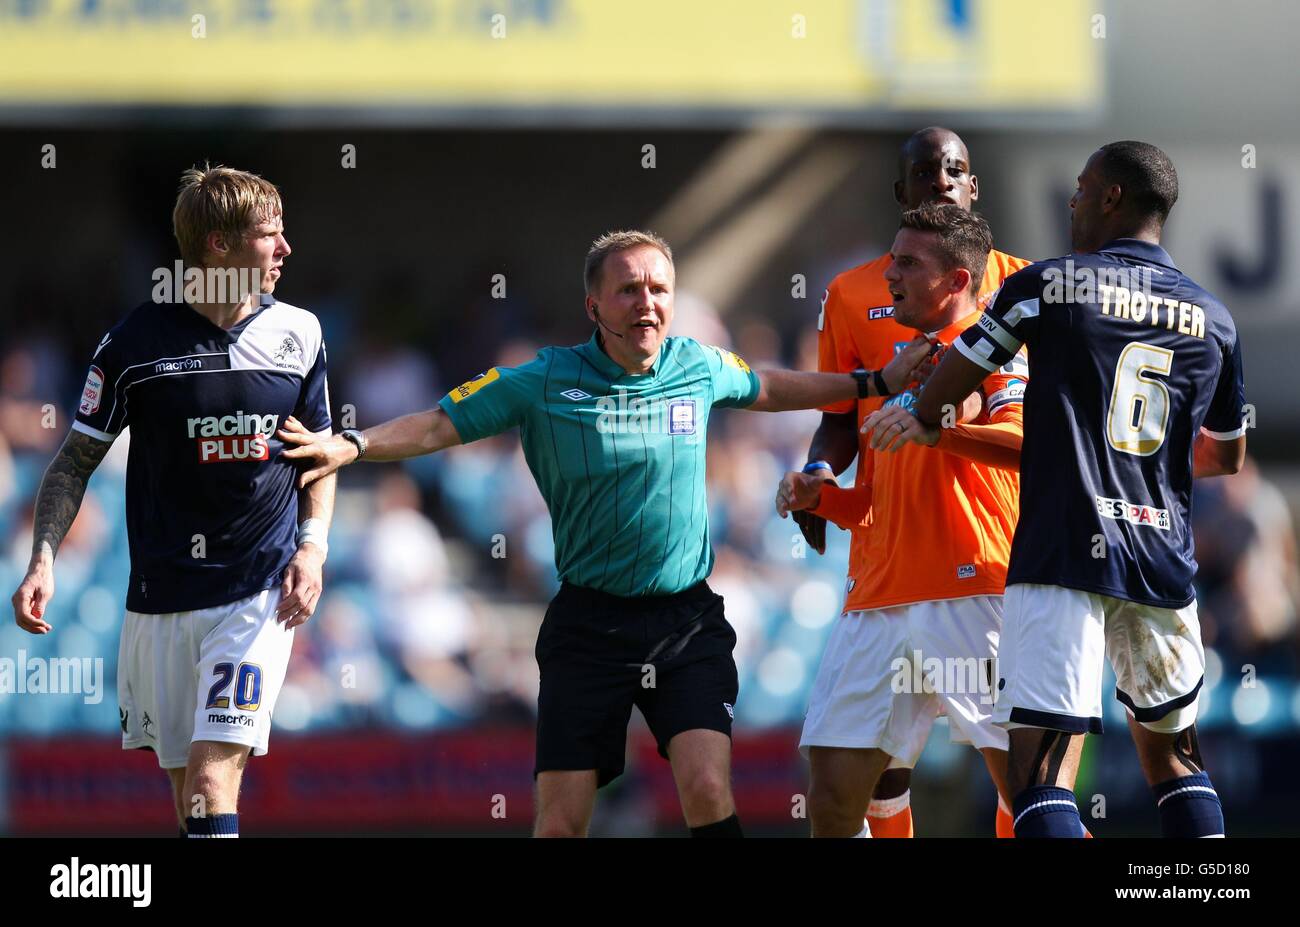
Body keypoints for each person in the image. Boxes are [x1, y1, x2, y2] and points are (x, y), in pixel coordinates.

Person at [278, 229, 934, 837]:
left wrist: (870, 382)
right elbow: (434, 426)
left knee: (707, 786)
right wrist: (355, 444)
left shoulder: (696, 365)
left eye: (658, 289)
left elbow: (769, 386)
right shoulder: (540, 381)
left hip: (686, 620)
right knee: (562, 821)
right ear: (594, 305)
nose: (646, 303)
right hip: (588, 626)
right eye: (628, 290)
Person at [902, 141, 1246, 837]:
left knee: (1039, 774)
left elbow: (938, 404)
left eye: (1082, 188)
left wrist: (928, 403)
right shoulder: (1215, 318)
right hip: (1159, 556)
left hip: (1062, 550)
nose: (1072, 201)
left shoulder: (1043, 285)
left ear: (1112, 197)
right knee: (1177, 761)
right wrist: (1142, 472)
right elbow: (1225, 454)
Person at [10, 165, 335, 839]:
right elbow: (74, 459)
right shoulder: (134, 343)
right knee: (192, 797)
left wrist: (313, 546)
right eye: (270, 236)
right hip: (159, 599)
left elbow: (320, 454)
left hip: (256, 591)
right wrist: (44, 557)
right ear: (218, 245)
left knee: (215, 777)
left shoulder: (300, 333)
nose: (285, 250)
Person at [794, 126, 1030, 837]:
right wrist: (817, 481)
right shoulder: (854, 292)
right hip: (881, 579)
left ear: (974, 186)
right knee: (843, 793)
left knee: (1027, 791)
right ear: (901, 192)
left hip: (981, 574)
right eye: (926, 172)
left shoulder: (1024, 286)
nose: (942, 181)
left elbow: (1035, 437)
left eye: (955, 170)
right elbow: (841, 418)